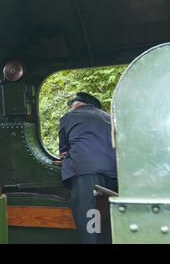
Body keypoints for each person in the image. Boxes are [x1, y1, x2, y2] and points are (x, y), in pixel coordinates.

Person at [58, 92, 117, 244]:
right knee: (112, 216)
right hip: (114, 172)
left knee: (89, 220)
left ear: (76, 105)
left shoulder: (68, 117)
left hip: (85, 172)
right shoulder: (109, 118)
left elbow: (63, 151)